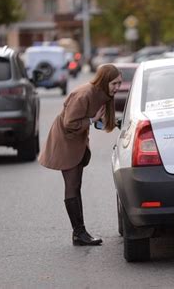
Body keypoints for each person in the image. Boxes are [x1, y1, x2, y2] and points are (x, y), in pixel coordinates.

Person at [38, 64, 122, 246]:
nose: (117, 87)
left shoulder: (104, 95)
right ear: (104, 80)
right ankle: (79, 233)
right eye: (114, 83)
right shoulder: (84, 94)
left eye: (119, 83)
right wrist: (91, 120)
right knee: (72, 184)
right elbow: (69, 123)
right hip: (65, 140)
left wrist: (119, 123)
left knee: (76, 184)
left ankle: (79, 232)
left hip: (77, 140)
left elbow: (103, 122)